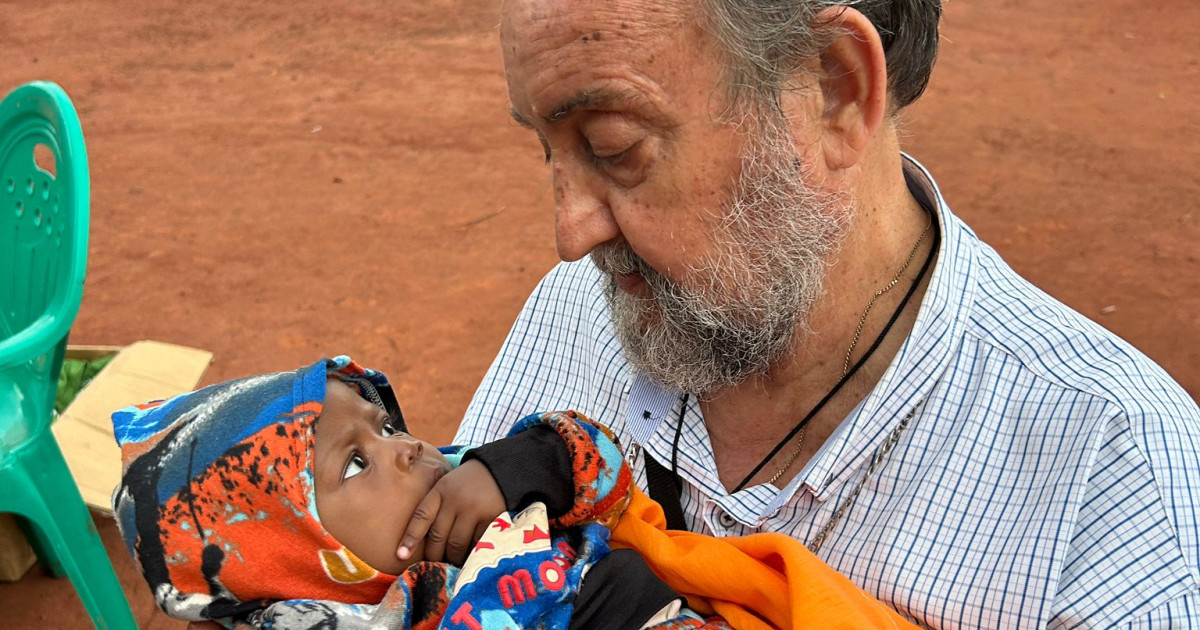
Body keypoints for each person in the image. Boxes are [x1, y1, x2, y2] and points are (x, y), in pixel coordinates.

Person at [455, 0, 1200, 627]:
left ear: (833, 90)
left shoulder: (1113, 482)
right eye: (547, 150)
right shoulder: (579, 311)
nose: (571, 234)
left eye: (614, 146)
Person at [113, 357, 919, 629]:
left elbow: (607, 477)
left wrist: (531, 465)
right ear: (287, 554)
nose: (404, 448)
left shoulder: (465, 492)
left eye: (383, 426)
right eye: (354, 464)